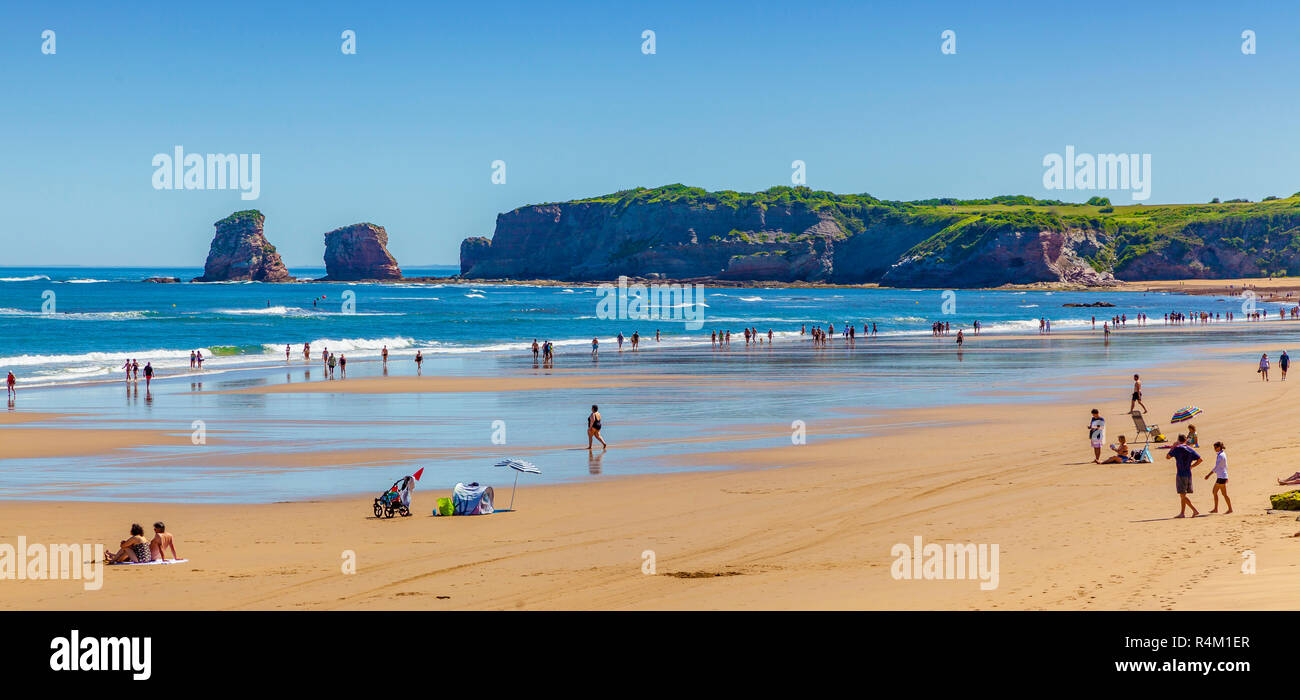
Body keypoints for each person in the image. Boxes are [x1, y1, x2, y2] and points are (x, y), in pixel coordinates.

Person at [1165, 434, 1202, 518]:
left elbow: (1167, 457)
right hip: (1188, 474)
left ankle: (1194, 510)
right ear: (1185, 440)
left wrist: (1173, 447)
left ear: (1178, 440)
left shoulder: (1177, 449)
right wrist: (1192, 466)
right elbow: (1200, 460)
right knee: (1183, 495)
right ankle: (1182, 513)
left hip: (1181, 474)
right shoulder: (1190, 449)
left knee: (1182, 495)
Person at [1204, 441, 1232, 514]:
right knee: (1222, 493)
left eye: (1215, 447)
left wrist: (1208, 475)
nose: (1214, 449)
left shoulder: (1221, 456)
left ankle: (1219, 509)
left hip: (1221, 477)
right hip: (1222, 476)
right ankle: (1226, 509)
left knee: (1215, 492)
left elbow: (1216, 467)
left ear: (1219, 447)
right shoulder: (1222, 454)